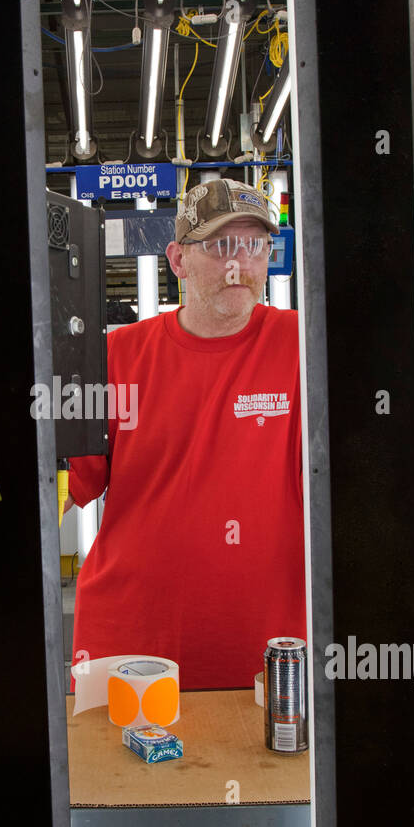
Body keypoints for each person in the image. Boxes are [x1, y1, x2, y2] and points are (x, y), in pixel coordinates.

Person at [66, 178, 306, 691]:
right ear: (177, 260)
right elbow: (66, 486)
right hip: (128, 646)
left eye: (255, 245)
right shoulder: (116, 358)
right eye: (222, 246)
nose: (239, 264)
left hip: (270, 656)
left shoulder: (306, 348)